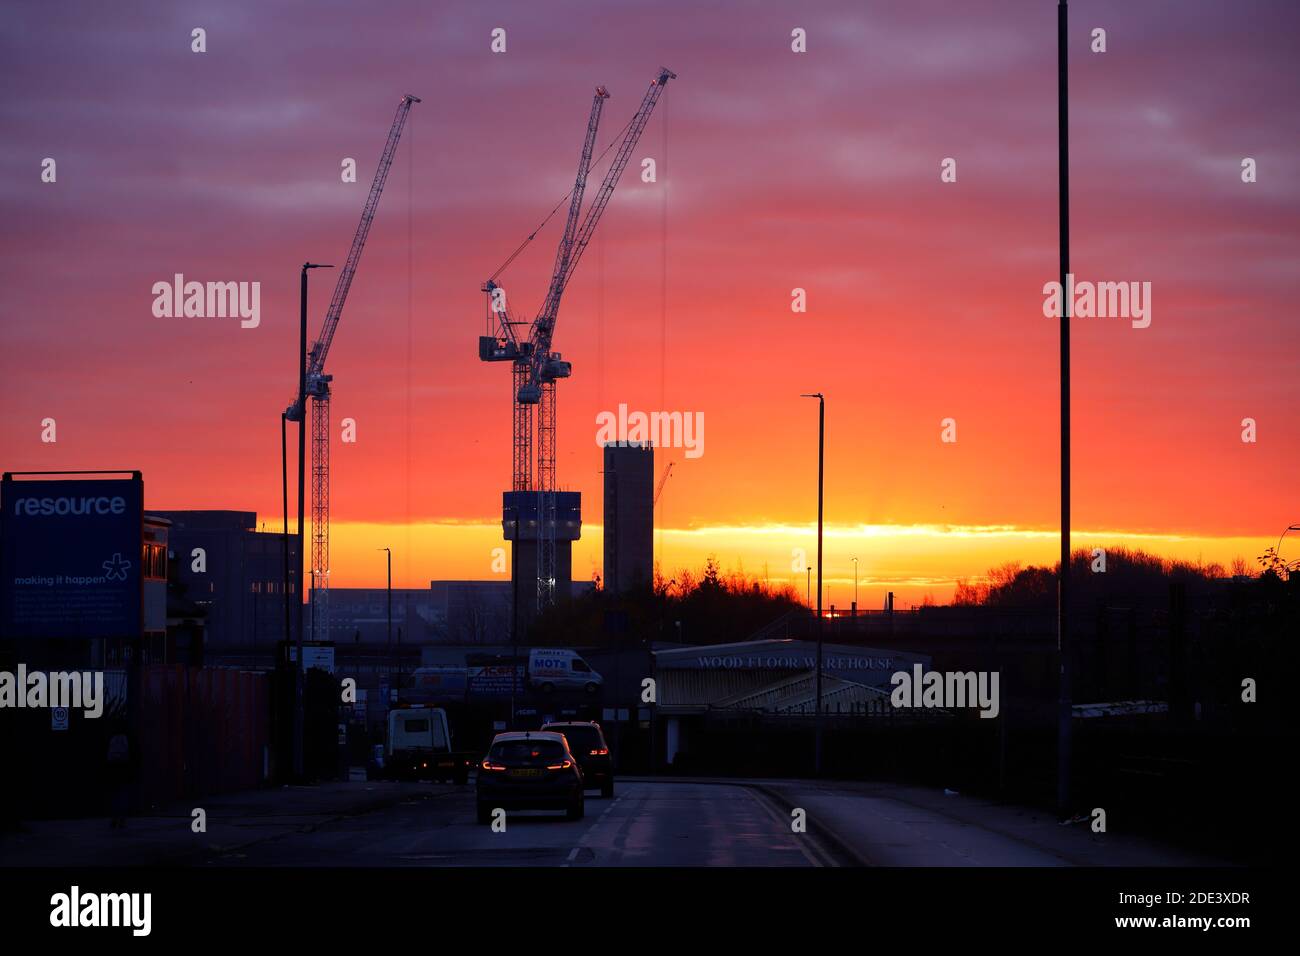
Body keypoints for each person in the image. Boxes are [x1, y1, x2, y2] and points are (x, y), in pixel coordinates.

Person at [106, 723, 132, 828]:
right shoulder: (124, 739)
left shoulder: (113, 740)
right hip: (121, 769)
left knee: (116, 794)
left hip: (114, 769)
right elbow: (126, 753)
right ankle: (121, 819)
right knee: (122, 794)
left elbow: (109, 756)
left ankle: (115, 818)